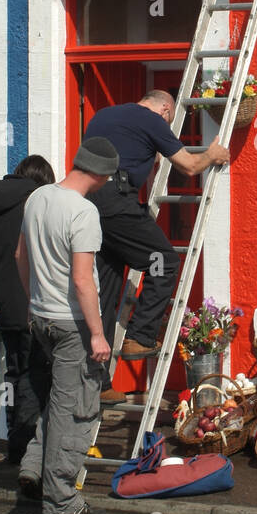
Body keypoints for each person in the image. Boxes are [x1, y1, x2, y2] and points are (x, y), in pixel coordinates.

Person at [15, 137, 118, 514]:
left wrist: (33, 300)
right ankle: (60, 500)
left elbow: (20, 256)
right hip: (73, 324)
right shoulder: (83, 211)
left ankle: (33, 470)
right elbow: (82, 280)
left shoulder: (37, 197)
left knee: (59, 400)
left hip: (43, 317)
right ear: (101, 174)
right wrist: (97, 333)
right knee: (75, 409)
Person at [82, 90, 230, 362]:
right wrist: (212, 154)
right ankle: (140, 337)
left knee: (107, 284)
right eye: (169, 120)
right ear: (165, 110)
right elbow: (190, 166)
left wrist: (153, 152)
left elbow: (124, 150)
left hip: (89, 203)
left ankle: (97, 374)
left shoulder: (104, 116)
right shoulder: (152, 120)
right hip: (117, 202)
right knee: (164, 261)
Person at [0, 154, 57, 463]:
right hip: (35, 302)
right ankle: (27, 448)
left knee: (14, 373)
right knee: (35, 375)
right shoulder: (39, 202)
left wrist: (0, 272)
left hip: (6, 303)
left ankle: (13, 444)